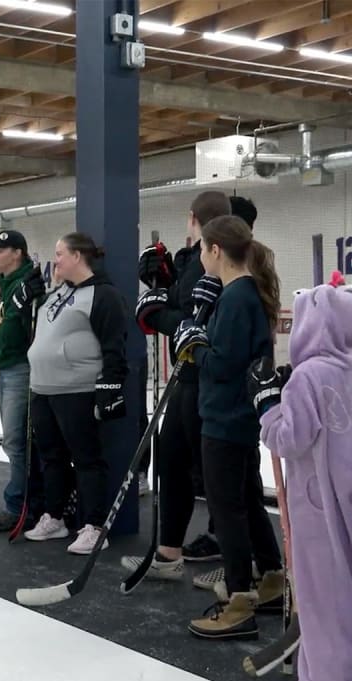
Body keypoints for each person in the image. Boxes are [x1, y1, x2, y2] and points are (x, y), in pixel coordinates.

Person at [252, 273, 352, 681]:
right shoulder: (351, 372)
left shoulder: (306, 376)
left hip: (316, 501)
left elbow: (290, 439)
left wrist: (268, 407)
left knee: (322, 594)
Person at [172, 214, 285, 639]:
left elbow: (223, 364)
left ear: (216, 249)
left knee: (227, 509)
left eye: (201, 248)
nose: (199, 255)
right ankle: (272, 576)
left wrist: (194, 347)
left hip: (225, 417)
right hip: (233, 416)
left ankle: (239, 599)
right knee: (245, 501)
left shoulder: (238, 298)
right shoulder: (236, 294)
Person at [122, 191, 233, 583]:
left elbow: (192, 320)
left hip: (210, 382)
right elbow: (180, 302)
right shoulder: (197, 259)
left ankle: (243, 566)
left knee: (218, 476)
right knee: (171, 464)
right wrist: (161, 280)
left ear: (192, 218)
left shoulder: (226, 261)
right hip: (186, 381)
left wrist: (158, 311)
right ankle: (168, 554)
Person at [19, 232, 129, 554]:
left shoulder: (103, 295)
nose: (56, 261)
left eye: (60, 254)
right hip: (42, 388)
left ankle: (94, 526)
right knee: (52, 457)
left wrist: (109, 388)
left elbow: (114, 346)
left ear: (78, 257)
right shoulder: (56, 293)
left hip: (76, 390)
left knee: (86, 459)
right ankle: (55, 517)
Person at [0, 230, 44, 532]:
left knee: (16, 441)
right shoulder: (4, 283)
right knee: (15, 441)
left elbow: (11, 334)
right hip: (6, 367)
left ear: (17, 253)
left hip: (21, 367)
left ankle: (18, 506)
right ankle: (25, 502)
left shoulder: (24, 285)